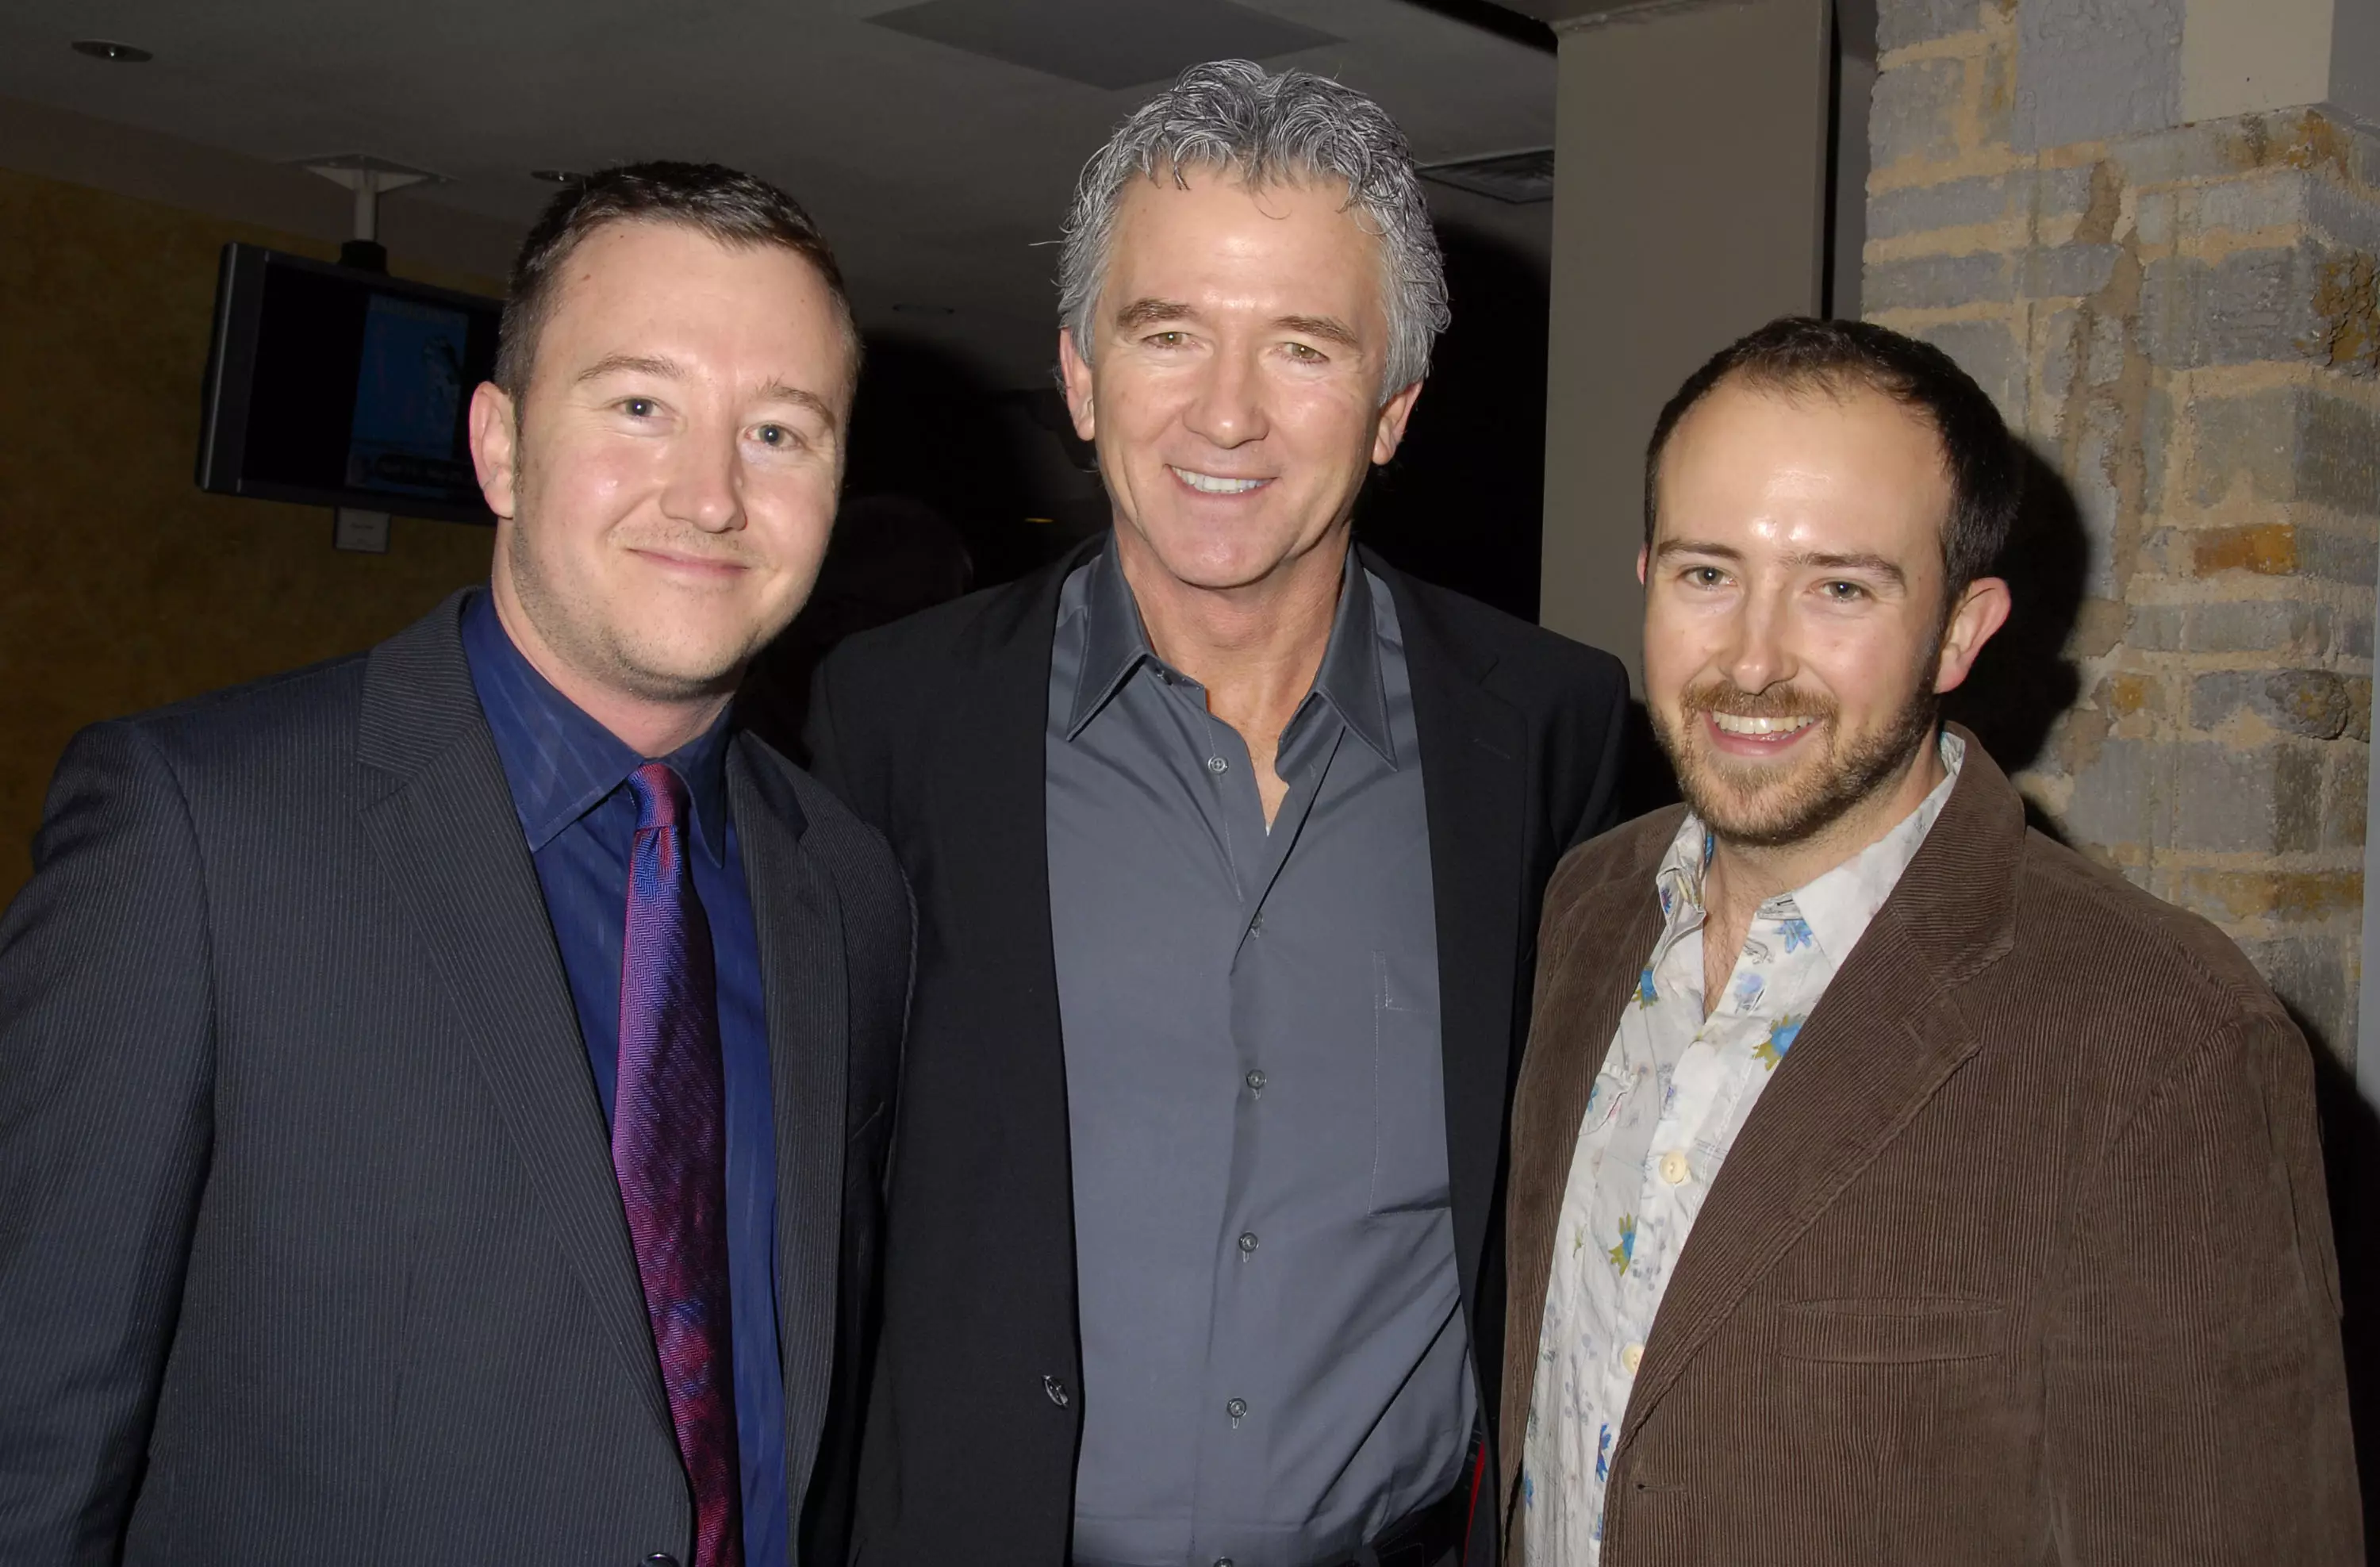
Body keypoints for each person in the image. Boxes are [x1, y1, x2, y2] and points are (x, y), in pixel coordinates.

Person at [0, 162, 909, 1567]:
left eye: (781, 431)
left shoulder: (848, 888)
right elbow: (31, 1436)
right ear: (498, 445)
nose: (713, 494)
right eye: (640, 404)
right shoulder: (193, 834)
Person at [807, 60, 1630, 1567]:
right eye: (1167, 332)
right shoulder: (892, 719)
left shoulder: (1552, 730)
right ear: (1078, 375)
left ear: (1392, 409)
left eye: (1304, 348)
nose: (1227, 414)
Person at [1501, 316, 2361, 1565]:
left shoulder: (2166, 1035)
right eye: (1708, 572)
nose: (1751, 657)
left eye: (1841, 587)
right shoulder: (1586, 907)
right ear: (1648, 577)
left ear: (1962, 629)